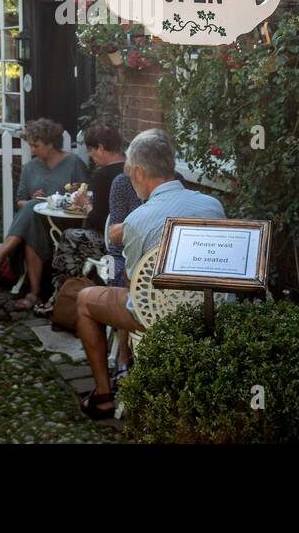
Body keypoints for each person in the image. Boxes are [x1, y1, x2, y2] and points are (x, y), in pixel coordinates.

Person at [74, 129, 224, 418]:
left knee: (84, 300)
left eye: (131, 174)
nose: (131, 179)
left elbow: (135, 286)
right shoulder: (212, 205)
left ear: (140, 173)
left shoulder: (138, 220)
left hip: (156, 315)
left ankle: (104, 395)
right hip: (208, 309)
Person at [0, 118, 90, 310]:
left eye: (36, 145)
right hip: (39, 224)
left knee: (32, 213)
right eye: (30, 145)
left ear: (50, 144)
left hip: (65, 225)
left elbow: (86, 196)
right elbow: (20, 201)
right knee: (32, 217)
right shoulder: (30, 168)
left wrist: (71, 197)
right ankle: (33, 294)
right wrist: (34, 199)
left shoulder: (73, 163)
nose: (32, 150)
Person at [38, 124, 126, 317]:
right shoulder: (131, 168)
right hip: (131, 238)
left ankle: (60, 298)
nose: (91, 156)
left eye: (92, 150)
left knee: (68, 238)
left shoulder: (104, 175)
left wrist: (86, 204)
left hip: (110, 242)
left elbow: (98, 220)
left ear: (101, 148)